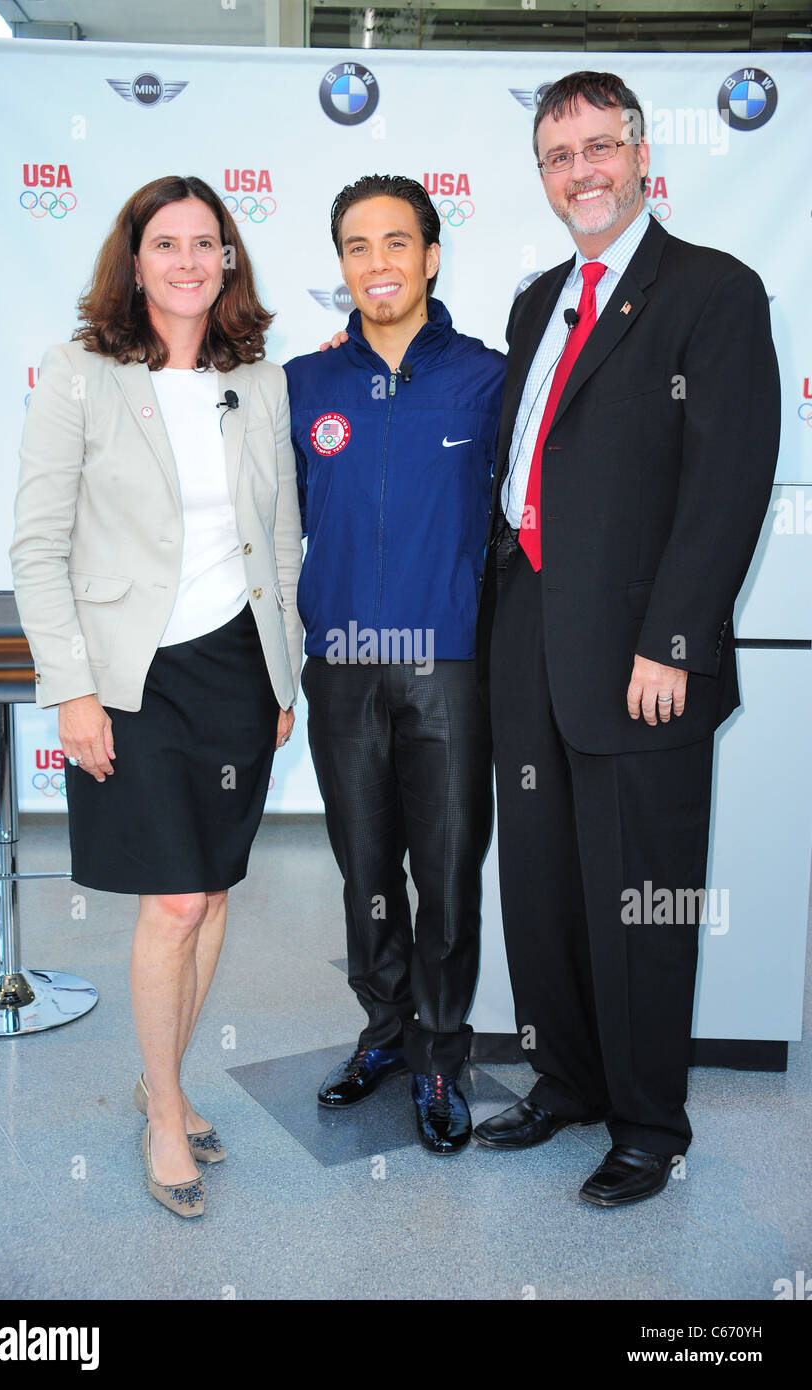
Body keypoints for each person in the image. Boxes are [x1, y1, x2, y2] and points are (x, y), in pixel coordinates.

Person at [473, 71, 781, 1204]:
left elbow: (728, 485)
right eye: (561, 156)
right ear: (543, 175)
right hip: (528, 637)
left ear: (642, 155)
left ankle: (650, 1121)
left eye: (602, 147)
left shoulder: (714, 291)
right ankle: (565, 1081)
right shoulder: (535, 298)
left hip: (645, 655)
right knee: (545, 886)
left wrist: (677, 642)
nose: (582, 172)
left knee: (644, 896)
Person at [10, 175, 303, 1218]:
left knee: (214, 889)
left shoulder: (257, 380)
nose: (187, 261)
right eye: (166, 243)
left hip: (236, 665)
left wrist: (285, 666)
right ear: (133, 262)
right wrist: (72, 690)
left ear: (228, 260)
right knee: (171, 899)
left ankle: (159, 1078)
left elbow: (282, 536)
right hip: (131, 677)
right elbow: (38, 546)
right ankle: (168, 1108)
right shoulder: (79, 372)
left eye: (206, 244)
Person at [284, 175, 506, 1154]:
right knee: (366, 870)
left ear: (432, 254)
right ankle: (384, 1032)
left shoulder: (489, 379)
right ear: (341, 265)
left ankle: (440, 1059)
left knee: (448, 876)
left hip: (446, 664)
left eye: (396, 242)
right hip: (340, 664)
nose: (378, 263)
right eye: (357, 247)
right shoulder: (304, 382)